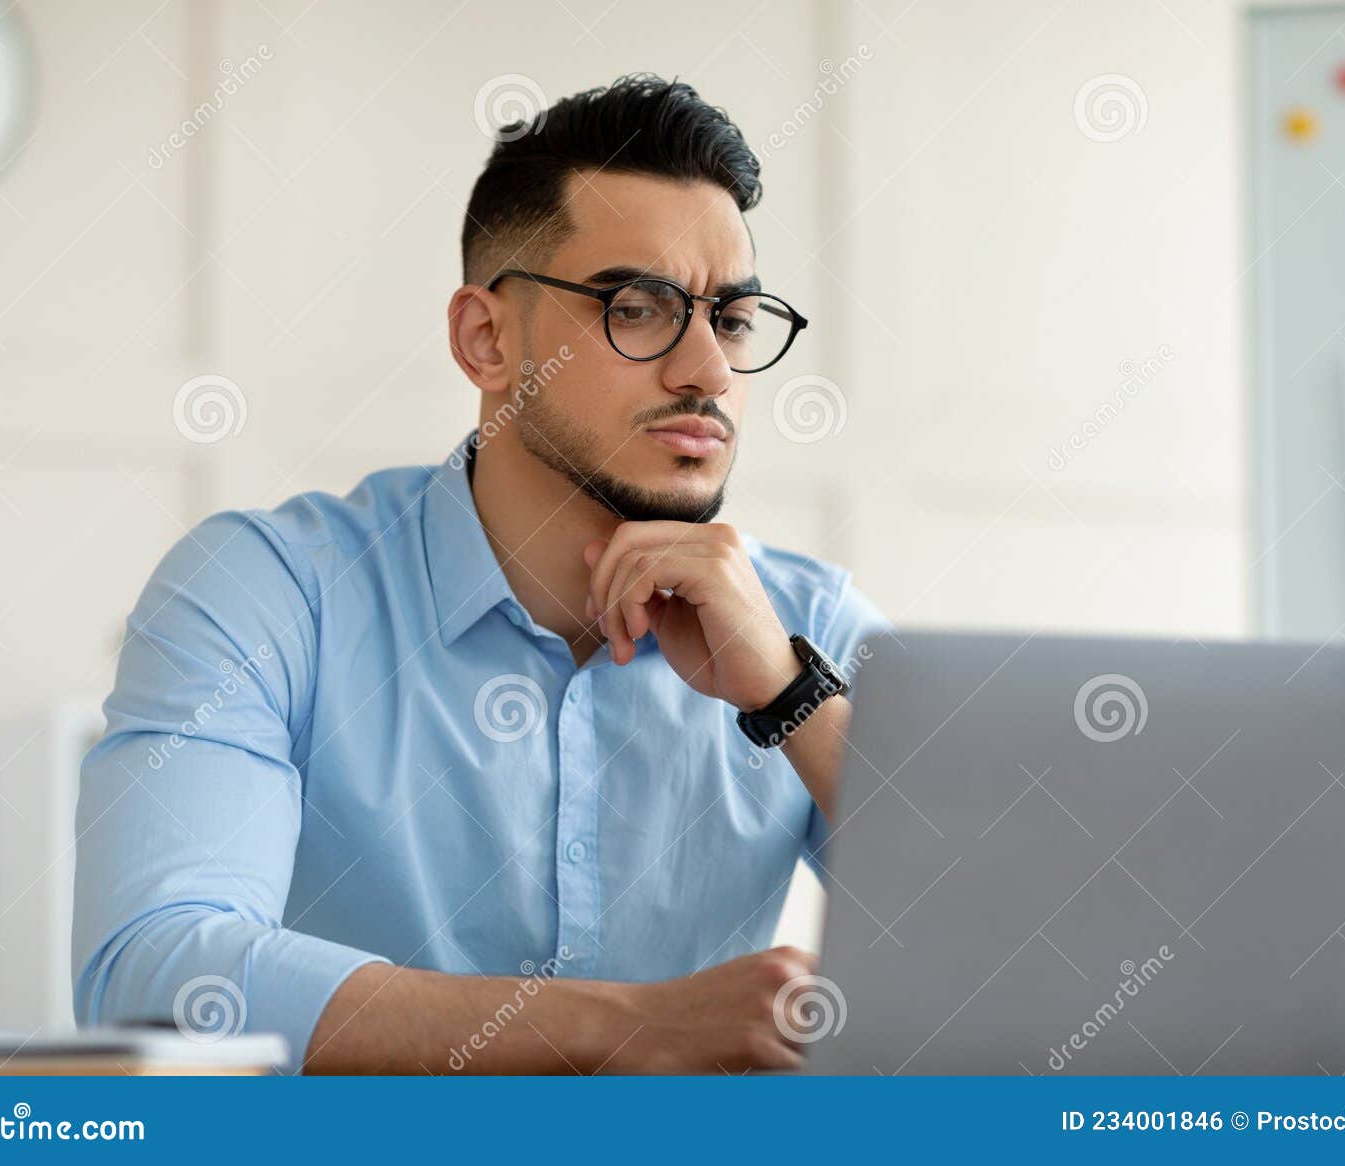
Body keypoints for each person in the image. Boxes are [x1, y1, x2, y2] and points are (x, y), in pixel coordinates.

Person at [72, 73, 888, 1074]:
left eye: (730, 319)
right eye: (638, 308)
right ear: (486, 339)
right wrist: (624, 1023)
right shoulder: (267, 589)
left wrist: (790, 695)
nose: (708, 372)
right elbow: (155, 972)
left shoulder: (811, 623)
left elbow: (1027, 956)